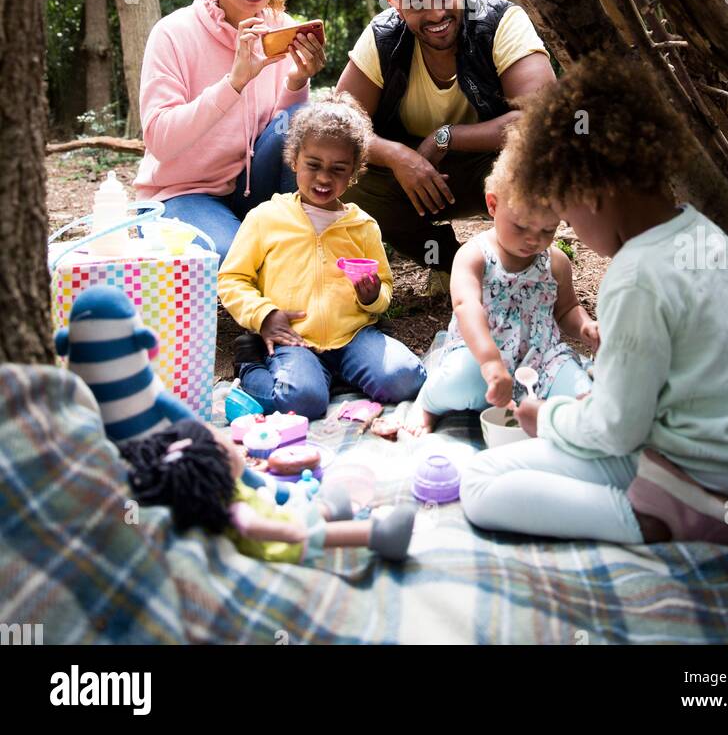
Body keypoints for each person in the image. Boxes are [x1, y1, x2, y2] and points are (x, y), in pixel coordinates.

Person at [460, 54, 728, 546]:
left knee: (480, 483)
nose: (567, 230)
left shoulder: (636, 276)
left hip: (687, 471)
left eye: (564, 215)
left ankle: (660, 517)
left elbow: (616, 432)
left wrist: (547, 418)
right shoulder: (704, 232)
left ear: (589, 194)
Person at [336, 0, 556, 291]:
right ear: (396, 4)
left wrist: (447, 137)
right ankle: (449, 262)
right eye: (417, 3)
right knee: (345, 173)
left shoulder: (500, 22)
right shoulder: (382, 37)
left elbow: (542, 117)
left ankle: (520, 268)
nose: (436, 13)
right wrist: (398, 157)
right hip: (413, 179)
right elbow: (338, 124)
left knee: (544, 156)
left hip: (491, 166)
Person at [218, 91, 427, 420]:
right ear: (295, 160)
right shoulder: (266, 218)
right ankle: (253, 365)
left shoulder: (362, 226)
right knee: (303, 402)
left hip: (354, 336)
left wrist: (373, 296)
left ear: (354, 171)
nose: (324, 177)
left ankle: (335, 374)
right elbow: (232, 279)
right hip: (293, 338)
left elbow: (385, 287)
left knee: (407, 379)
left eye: (338, 168)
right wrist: (264, 315)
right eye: (313, 165)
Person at [134, 0, 325, 263]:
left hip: (254, 186)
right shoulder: (173, 33)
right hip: (184, 194)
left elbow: (284, 134)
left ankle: (301, 244)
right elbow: (160, 140)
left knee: (302, 119)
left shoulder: (282, 31)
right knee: (239, 259)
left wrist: (297, 81)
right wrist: (234, 82)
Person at [415, 145, 599, 431]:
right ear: (493, 205)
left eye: (547, 230)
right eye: (521, 226)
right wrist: (489, 361)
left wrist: (585, 327)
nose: (533, 239)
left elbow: (567, 310)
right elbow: (466, 307)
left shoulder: (555, 263)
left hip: (541, 358)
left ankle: (541, 413)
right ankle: (428, 402)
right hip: (479, 354)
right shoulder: (474, 256)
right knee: (462, 382)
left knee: (582, 399)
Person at [118, 417, 417, 564]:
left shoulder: (229, 490)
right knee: (318, 532)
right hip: (284, 539)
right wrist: (294, 532)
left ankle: (331, 509)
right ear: (216, 463)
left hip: (279, 514)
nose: (234, 447)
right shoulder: (232, 506)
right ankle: (377, 535)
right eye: (225, 445)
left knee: (309, 507)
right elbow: (252, 526)